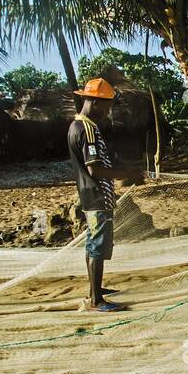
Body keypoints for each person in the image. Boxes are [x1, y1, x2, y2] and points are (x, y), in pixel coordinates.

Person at [67, 78, 133, 311]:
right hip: (97, 196)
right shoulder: (88, 129)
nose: (108, 112)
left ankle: (95, 289)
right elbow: (94, 168)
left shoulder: (77, 126)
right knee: (99, 246)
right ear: (94, 102)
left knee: (92, 244)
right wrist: (122, 173)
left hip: (89, 195)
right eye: (106, 106)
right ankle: (96, 301)